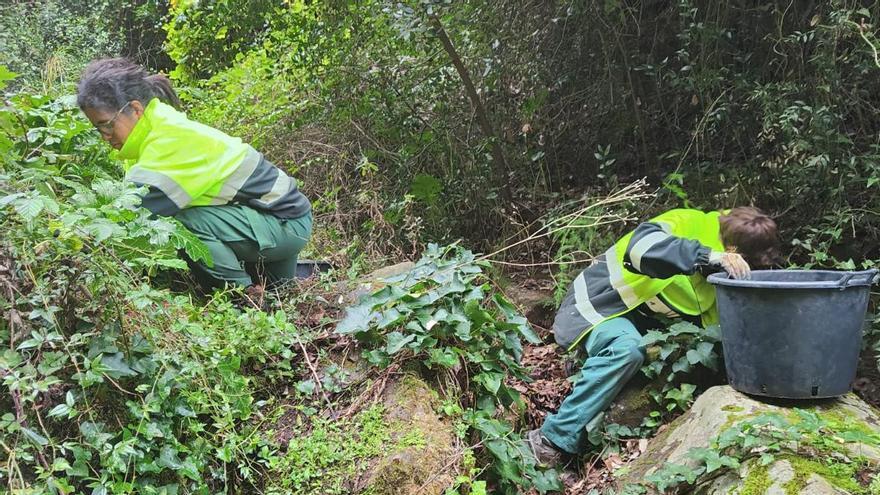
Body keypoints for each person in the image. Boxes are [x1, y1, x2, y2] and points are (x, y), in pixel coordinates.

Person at [527, 207, 780, 465]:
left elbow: (726, 333)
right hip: (600, 305)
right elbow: (640, 249)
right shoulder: (689, 222)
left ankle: (595, 366)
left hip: (644, 321)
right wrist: (708, 256)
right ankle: (550, 440)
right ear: (734, 251)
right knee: (627, 350)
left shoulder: (723, 279)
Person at [77, 58, 312, 303]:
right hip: (272, 220)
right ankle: (267, 290)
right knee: (281, 297)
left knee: (184, 225)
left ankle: (247, 302)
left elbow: (130, 220)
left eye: (106, 125)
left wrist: (75, 242)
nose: (105, 137)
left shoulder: (168, 141)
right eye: (98, 129)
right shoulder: (150, 132)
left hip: (286, 225)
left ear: (135, 109)